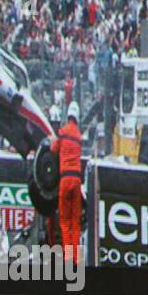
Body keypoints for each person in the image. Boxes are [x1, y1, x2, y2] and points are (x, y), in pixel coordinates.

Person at [55, 101, 84, 263]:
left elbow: (54, 149)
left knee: (65, 220)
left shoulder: (63, 132)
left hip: (65, 179)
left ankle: (68, 257)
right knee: (75, 220)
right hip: (77, 180)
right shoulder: (78, 136)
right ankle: (76, 259)